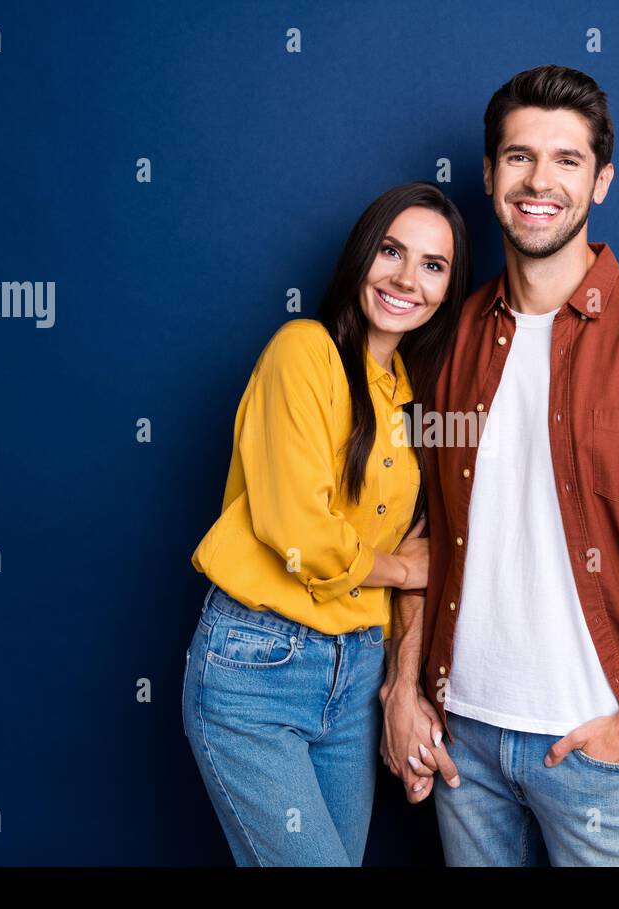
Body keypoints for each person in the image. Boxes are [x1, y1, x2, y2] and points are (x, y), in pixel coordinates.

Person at [381, 65, 619, 866]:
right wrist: (404, 688)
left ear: (602, 181)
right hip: (463, 743)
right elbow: (418, 530)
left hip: (597, 742)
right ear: (488, 176)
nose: (539, 182)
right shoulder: (445, 339)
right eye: (518, 158)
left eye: (566, 160)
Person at [183, 181, 471, 866]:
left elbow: (419, 542)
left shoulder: (409, 398)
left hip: (355, 677)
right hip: (258, 664)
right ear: (361, 255)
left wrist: (404, 686)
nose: (407, 279)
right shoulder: (303, 349)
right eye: (393, 252)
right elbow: (300, 534)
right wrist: (402, 567)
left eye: (433, 266)